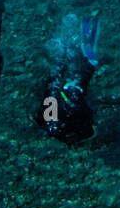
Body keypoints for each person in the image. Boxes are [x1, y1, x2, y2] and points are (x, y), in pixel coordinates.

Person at [34, 11, 100, 145]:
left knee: (68, 83)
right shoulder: (52, 120)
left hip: (67, 101)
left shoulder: (60, 124)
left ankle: (73, 57)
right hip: (64, 102)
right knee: (56, 82)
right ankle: (65, 55)